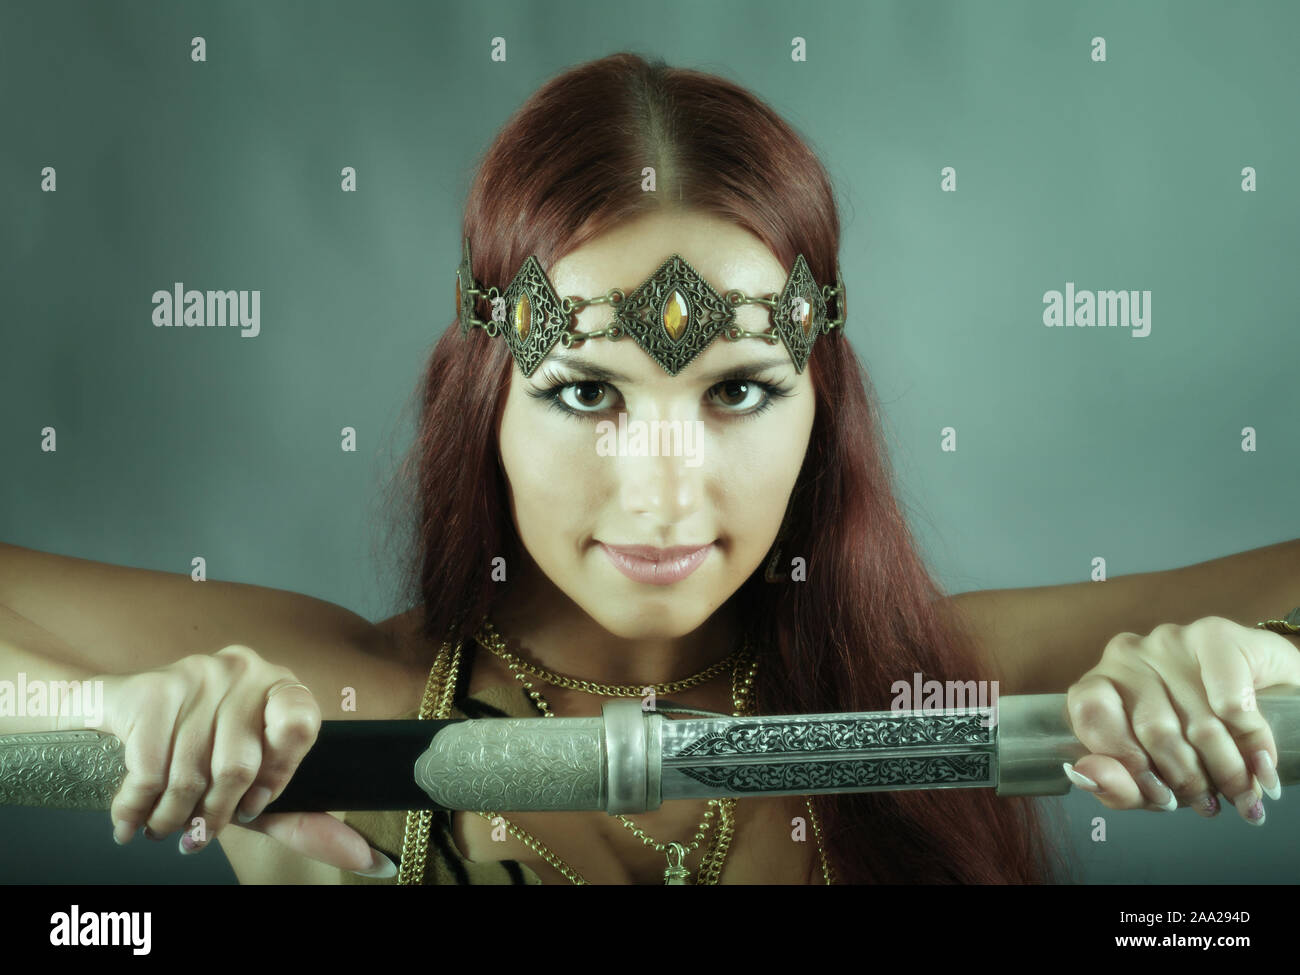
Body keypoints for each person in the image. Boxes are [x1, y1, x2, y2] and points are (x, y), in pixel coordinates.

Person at [3, 52, 1297, 885]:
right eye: (584, 394)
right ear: (487, 401)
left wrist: (1252, 666)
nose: (667, 490)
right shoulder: (342, 709)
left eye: (737, 391)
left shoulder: (938, 689)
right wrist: (110, 721)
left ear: (821, 404)